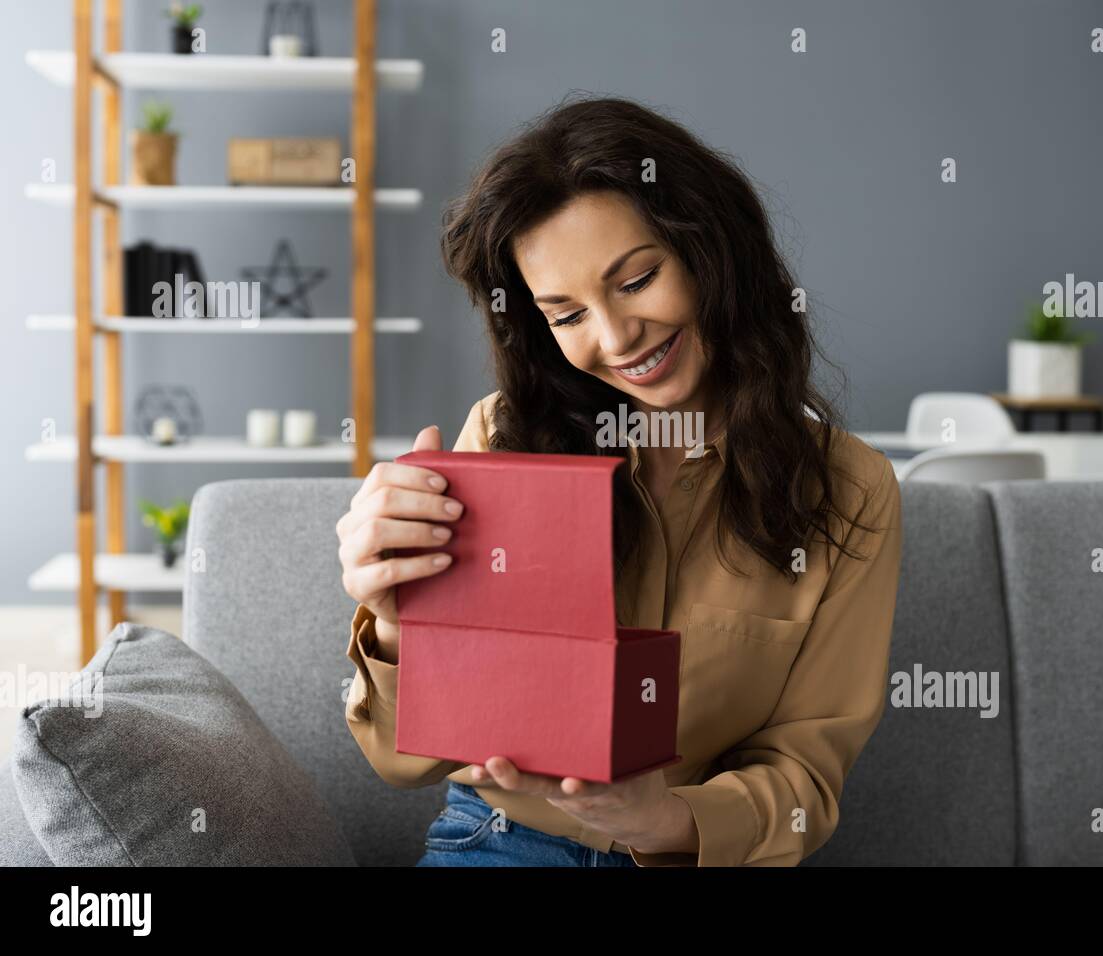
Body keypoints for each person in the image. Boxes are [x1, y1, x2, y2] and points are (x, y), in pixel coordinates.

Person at [335, 95, 903, 866]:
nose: (614, 338)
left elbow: (805, 780)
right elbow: (405, 762)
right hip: (501, 839)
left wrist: (659, 819)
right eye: (566, 315)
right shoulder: (504, 437)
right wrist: (397, 614)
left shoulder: (849, 487)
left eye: (636, 280)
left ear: (714, 253)